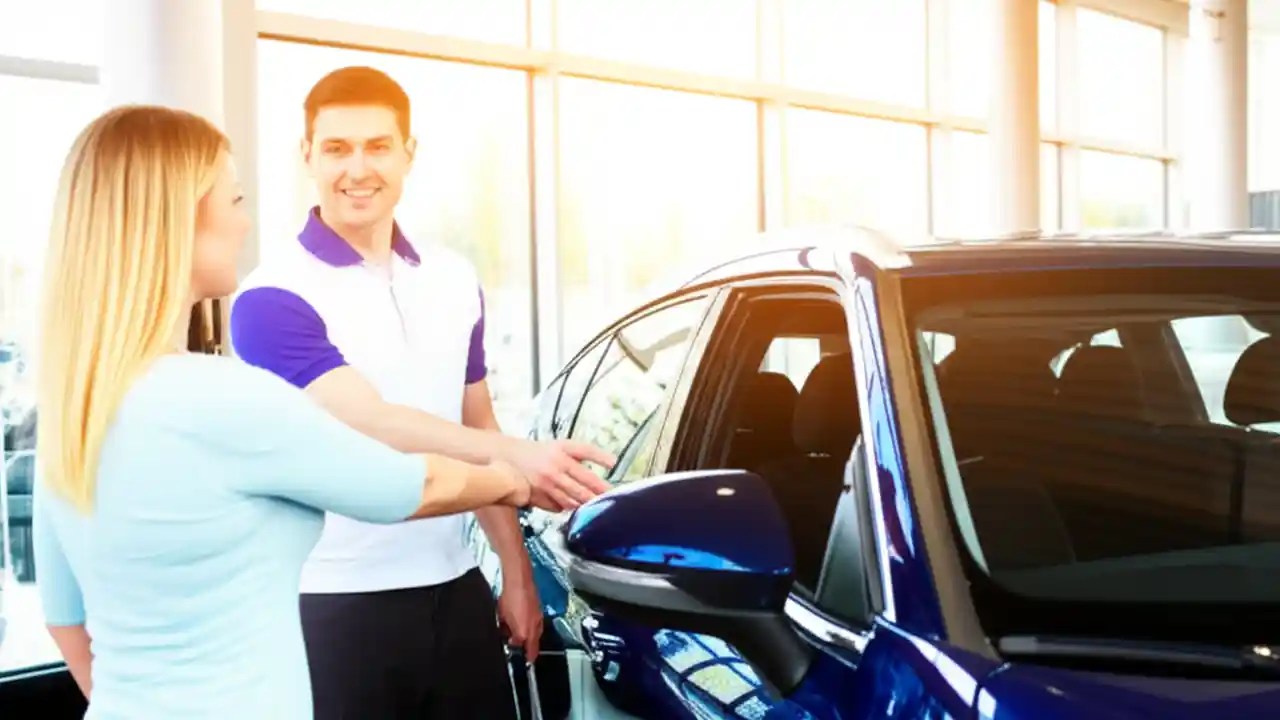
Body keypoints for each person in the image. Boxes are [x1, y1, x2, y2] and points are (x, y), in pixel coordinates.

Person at [33, 104, 535, 719]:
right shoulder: (226, 397)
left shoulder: (71, 409)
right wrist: (518, 479)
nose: (245, 224)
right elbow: (410, 485)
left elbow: (64, 622)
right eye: (236, 200)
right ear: (179, 222)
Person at [228, 66, 614, 719]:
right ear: (307, 157)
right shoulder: (270, 296)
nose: (357, 168)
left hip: (452, 590)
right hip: (329, 606)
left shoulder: (455, 278)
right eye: (336, 149)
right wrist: (519, 459)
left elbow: (472, 419)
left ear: (409, 154)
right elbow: (371, 422)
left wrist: (514, 570)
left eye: (378, 146)